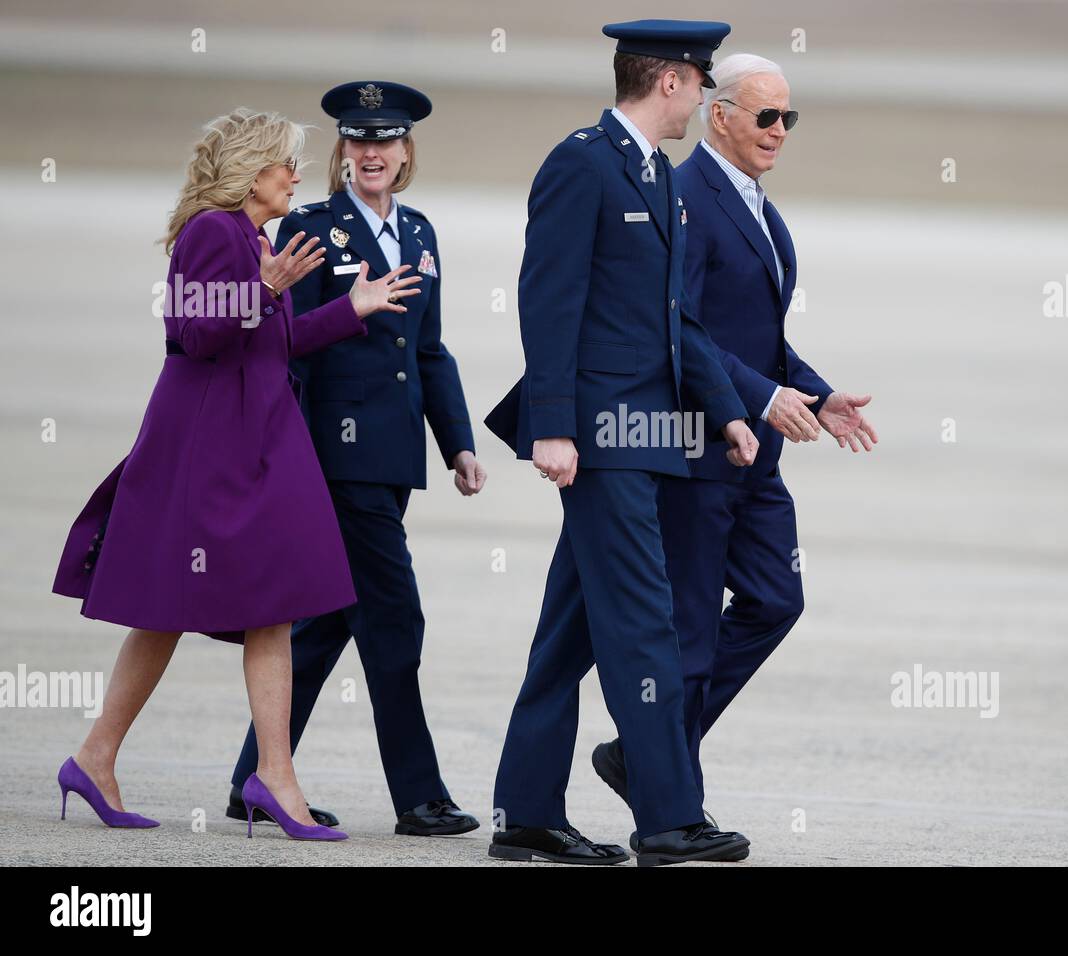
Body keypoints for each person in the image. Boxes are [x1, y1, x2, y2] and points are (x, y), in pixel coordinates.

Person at [51, 108, 420, 841]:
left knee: (249, 603)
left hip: (249, 432)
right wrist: (266, 288)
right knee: (216, 603)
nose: (295, 176)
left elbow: (270, 345)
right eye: (286, 163)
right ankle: (250, 774)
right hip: (211, 440)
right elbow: (193, 333)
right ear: (254, 171)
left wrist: (348, 308)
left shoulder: (252, 236)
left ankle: (137, 761)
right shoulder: (211, 232)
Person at [484, 20, 759, 867]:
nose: (704, 98)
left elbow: (678, 321)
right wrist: (556, 428)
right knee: (645, 626)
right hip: (602, 440)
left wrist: (727, 410)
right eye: (700, 82)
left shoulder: (663, 180)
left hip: (651, 434)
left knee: (568, 634)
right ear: (670, 81)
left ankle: (526, 812)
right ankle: (668, 819)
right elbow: (548, 300)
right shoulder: (582, 163)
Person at [588, 55, 880, 847]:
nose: (780, 132)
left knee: (775, 601)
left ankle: (645, 756)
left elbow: (763, 336)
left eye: (789, 118)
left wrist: (816, 395)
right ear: (719, 115)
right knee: (686, 629)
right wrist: (757, 398)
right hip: (700, 445)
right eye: (766, 117)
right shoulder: (686, 198)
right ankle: (669, 810)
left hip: (759, 456)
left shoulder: (758, 206)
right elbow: (682, 331)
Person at [226, 82, 485, 838]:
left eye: (387, 140)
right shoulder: (309, 231)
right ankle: (420, 797)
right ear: (342, 151)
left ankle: (254, 782)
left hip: (393, 456)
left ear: (405, 152)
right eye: (358, 140)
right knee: (395, 619)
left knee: (325, 626)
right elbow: (285, 346)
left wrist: (459, 442)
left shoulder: (422, 232)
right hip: (333, 460)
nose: (372, 153)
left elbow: (428, 351)